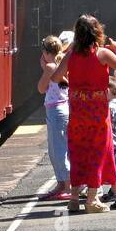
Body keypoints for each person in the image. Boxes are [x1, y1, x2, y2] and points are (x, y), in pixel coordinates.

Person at [52, 14, 116, 214]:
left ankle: (73, 198)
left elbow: (55, 77)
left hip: (78, 112)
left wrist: (73, 85)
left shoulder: (71, 55)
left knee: (78, 152)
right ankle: (92, 199)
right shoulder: (103, 54)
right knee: (98, 152)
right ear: (97, 32)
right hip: (97, 112)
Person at [37, 34, 71, 201]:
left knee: (57, 150)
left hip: (56, 111)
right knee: (59, 148)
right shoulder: (63, 61)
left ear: (45, 51)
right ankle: (61, 184)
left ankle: (66, 186)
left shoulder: (50, 67)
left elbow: (41, 88)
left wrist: (45, 69)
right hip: (65, 108)